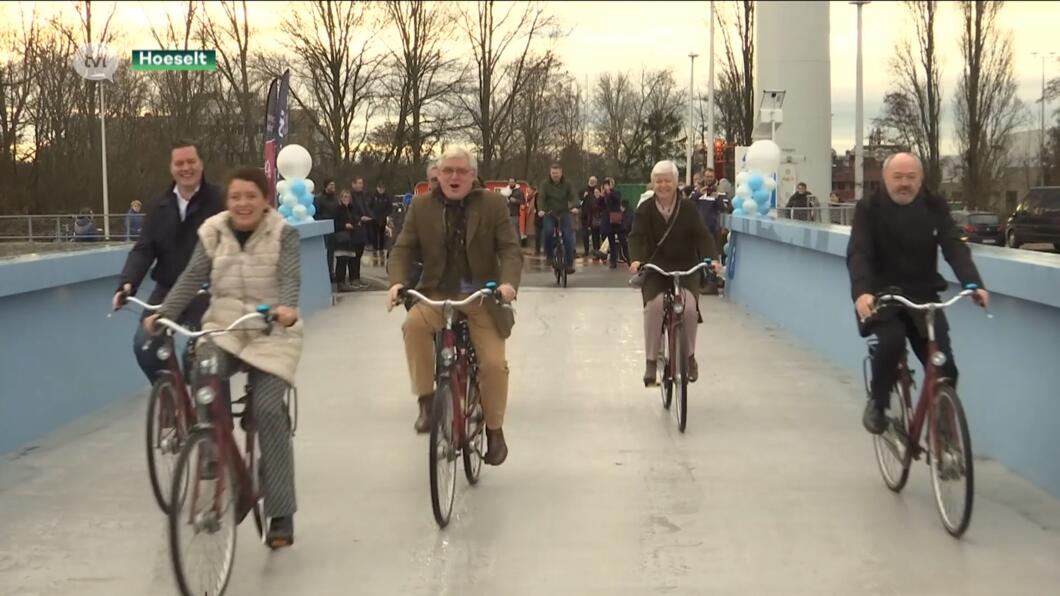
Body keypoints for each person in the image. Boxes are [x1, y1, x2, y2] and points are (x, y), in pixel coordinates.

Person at [144, 166, 302, 547]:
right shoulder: (213, 231)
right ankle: (217, 448)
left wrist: (287, 308)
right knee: (203, 369)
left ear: (266, 201)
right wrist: (164, 313)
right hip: (226, 327)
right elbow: (191, 276)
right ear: (227, 201)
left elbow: (290, 281)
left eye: (251, 196)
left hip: (271, 330)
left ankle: (280, 514)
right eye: (235, 197)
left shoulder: (284, 233)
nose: (243, 204)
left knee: (266, 409)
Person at [386, 147, 522, 465]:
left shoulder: (492, 204)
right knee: (414, 326)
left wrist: (507, 285)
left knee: (492, 364)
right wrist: (396, 282)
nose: (454, 177)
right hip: (436, 293)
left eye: (461, 171)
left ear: (473, 176)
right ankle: (426, 401)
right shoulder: (421, 206)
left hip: (482, 296)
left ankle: (494, 431)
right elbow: (402, 248)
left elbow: (510, 249)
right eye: (447, 171)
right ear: (438, 174)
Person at [847, 153, 989, 435]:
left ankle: (945, 431)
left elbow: (953, 246)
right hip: (881, 297)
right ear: (885, 179)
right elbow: (859, 253)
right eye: (898, 177)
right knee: (892, 341)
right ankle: (878, 402)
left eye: (911, 177)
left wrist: (973, 283)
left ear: (920, 179)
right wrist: (862, 292)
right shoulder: (869, 208)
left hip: (924, 295)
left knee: (945, 365)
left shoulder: (934, 205)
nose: (904, 184)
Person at [112, 139, 224, 382]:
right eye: (179, 163)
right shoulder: (159, 205)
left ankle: (209, 413)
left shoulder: (220, 200)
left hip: (207, 292)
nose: (186, 168)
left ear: (201, 164)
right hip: (167, 290)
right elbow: (143, 249)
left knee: (200, 358)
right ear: (171, 168)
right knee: (145, 344)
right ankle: (171, 396)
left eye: (191, 162)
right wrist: (127, 283)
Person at [629, 160, 721, 386]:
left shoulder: (688, 208)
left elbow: (702, 235)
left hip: (686, 266)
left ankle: (689, 357)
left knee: (689, 309)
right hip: (656, 267)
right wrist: (636, 259)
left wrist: (714, 259)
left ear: (676, 183)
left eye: (667, 180)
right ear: (653, 184)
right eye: (658, 181)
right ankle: (651, 362)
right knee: (654, 307)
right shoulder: (645, 209)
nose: (663, 185)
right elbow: (636, 237)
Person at [537, 163, 579, 274]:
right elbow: (541, 198)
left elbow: (574, 197)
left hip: (564, 213)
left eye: (557, 173)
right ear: (550, 173)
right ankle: (549, 256)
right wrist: (541, 210)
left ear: (561, 173)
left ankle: (569, 264)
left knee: (568, 237)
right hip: (550, 213)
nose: (555, 175)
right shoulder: (545, 184)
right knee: (548, 231)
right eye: (553, 173)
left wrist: (573, 207)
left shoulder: (567, 184)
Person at [333, 188, 370, 291]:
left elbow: (354, 219)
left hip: (351, 238)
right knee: (341, 261)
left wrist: (356, 222)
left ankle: (349, 281)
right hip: (341, 238)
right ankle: (340, 283)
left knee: (349, 260)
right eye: (344, 197)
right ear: (340, 198)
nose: (346, 199)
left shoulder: (351, 208)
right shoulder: (338, 209)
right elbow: (335, 224)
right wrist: (344, 225)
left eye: (348, 197)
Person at [315, 178, 339, 281]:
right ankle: (323, 271)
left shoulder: (335, 198)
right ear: (326, 186)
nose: (333, 187)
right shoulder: (319, 198)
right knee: (324, 250)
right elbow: (316, 213)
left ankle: (331, 271)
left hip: (333, 227)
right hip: (323, 227)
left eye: (334, 185)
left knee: (331, 251)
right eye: (331, 185)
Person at [603, 178, 630, 269]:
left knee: (623, 240)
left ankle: (629, 258)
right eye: (605, 184)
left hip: (616, 218)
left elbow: (617, 199)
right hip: (608, 220)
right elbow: (600, 205)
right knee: (611, 242)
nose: (606, 186)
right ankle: (613, 260)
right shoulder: (605, 195)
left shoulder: (616, 193)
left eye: (608, 184)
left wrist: (610, 192)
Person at [580, 176, 599, 257]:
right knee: (585, 234)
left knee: (595, 234)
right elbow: (579, 201)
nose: (592, 182)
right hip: (585, 215)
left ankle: (596, 250)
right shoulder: (584, 190)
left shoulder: (597, 190)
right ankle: (586, 251)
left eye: (594, 181)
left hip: (594, 216)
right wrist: (583, 197)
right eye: (591, 180)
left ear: (596, 182)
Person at [371, 181, 392, 256]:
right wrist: (372, 215)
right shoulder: (374, 196)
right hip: (374, 218)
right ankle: (375, 248)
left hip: (383, 218)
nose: (381, 190)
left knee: (382, 234)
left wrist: (386, 215)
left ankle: (381, 248)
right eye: (380, 188)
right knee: (375, 234)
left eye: (382, 189)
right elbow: (370, 206)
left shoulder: (386, 197)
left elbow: (389, 207)